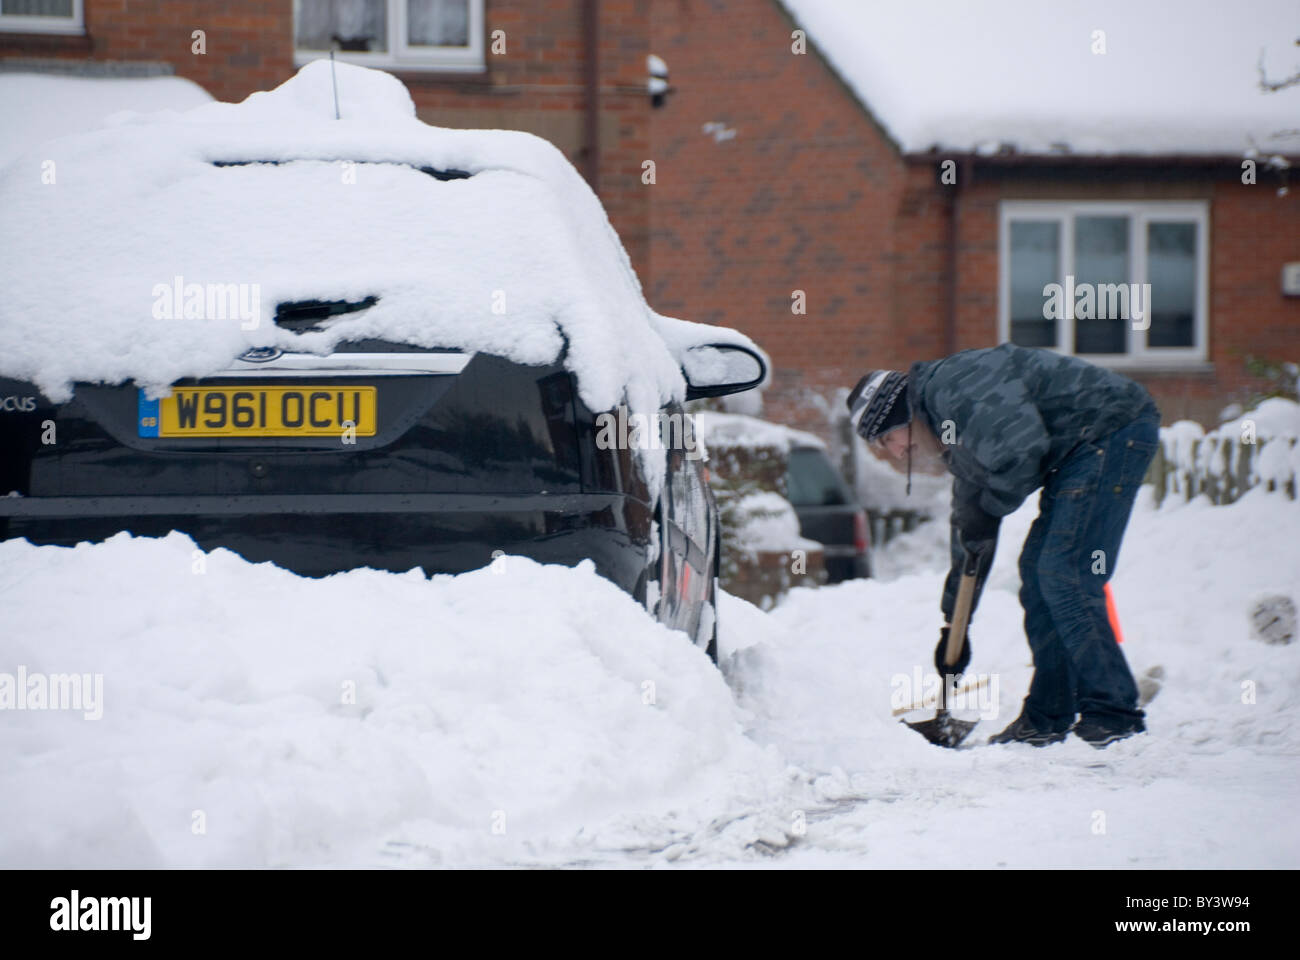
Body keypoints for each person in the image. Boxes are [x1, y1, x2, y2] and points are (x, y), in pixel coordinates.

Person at [847, 343, 1161, 748]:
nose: (895, 452)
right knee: (1037, 572)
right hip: (1080, 451)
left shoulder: (957, 390)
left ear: (902, 414)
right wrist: (954, 626)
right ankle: (1048, 716)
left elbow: (1019, 453)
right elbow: (969, 533)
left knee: (1063, 571)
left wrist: (989, 507)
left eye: (888, 437)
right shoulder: (951, 430)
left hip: (1112, 429)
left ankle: (1114, 713)